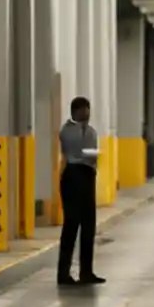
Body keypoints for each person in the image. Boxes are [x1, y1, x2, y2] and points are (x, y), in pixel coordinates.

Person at [57, 96, 106, 286]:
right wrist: (89, 154)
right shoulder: (67, 131)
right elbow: (78, 150)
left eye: (88, 110)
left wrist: (91, 156)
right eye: (84, 111)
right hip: (72, 175)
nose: (87, 114)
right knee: (71, 226)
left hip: (88, 176)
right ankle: (63, 274)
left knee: (88, 227)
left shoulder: (91, 130)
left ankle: (87, 272)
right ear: (76, 112)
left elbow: (91, 152)